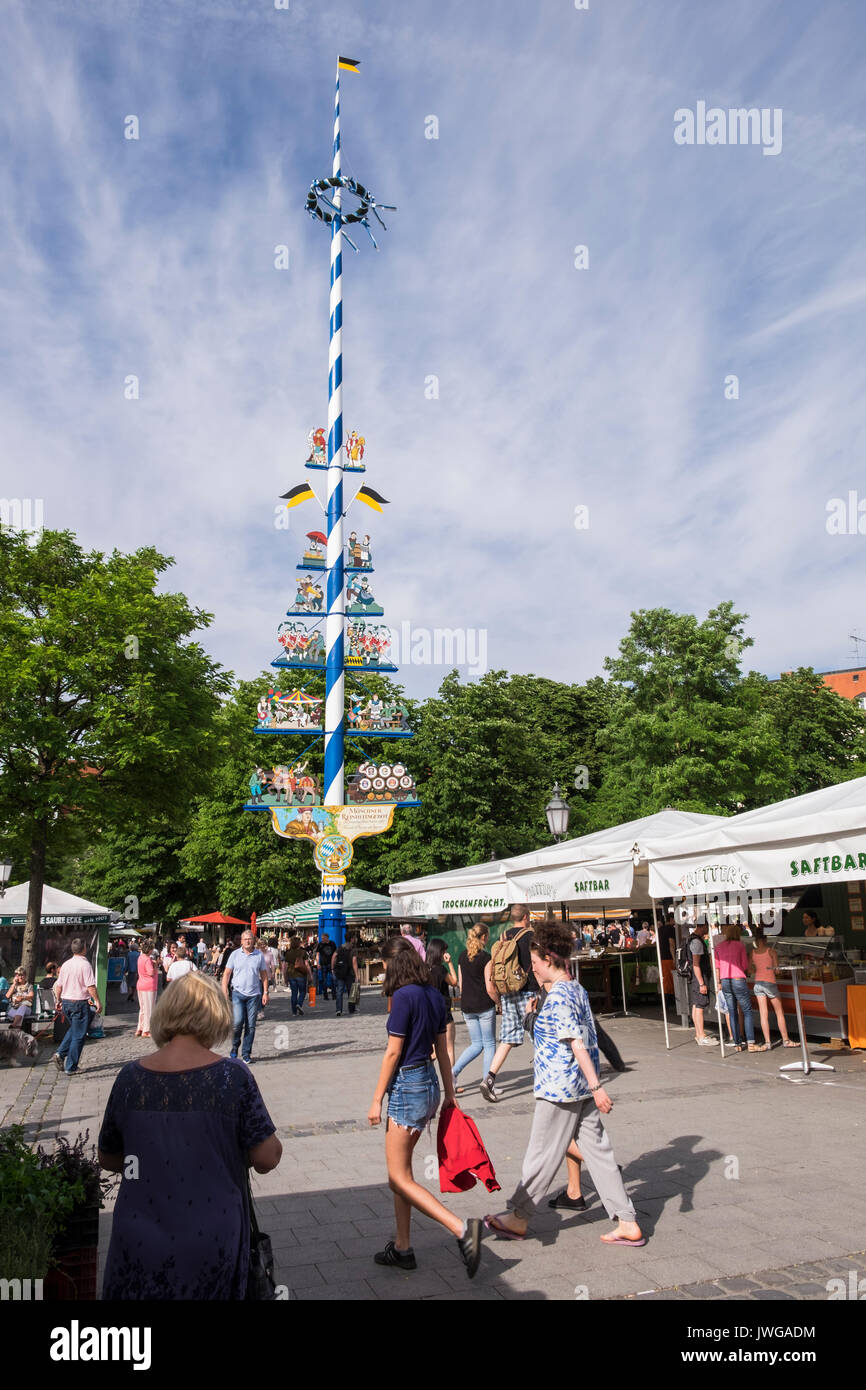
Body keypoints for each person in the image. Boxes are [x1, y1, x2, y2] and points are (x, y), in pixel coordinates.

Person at [98, 972, 282, 1298]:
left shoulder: (130, 1078)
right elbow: (266, 1157)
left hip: (139, 1234)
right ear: (216, 1016)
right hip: (211, 1234)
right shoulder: (231, 1076)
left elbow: (109, 1158)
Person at [483, 920, 644, 1247]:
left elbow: (577, 1044)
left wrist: (598, 1087)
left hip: (559, 1088)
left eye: (534, 963)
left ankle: (518, 1217)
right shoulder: (575, 989)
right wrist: (534, 1018)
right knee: (598, 1153)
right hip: (578, 1087)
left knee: (540, 1155)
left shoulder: (558, 998)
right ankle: (627, 1221)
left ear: (547, 959)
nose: (531, 968)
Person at [366, 937, 482, 1279]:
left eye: (384, 965)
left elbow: (392, 1052)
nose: (383, 971)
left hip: (407, 1086)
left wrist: (376, 1099)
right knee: (401, 1175)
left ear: (394, 963)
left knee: (398, 1177)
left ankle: (461, 1229)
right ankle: (403, 1247)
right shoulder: (432, 992)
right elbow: (443, 1049)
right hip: (429, 1084)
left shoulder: (403, 997)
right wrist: (449, 1092)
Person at [480, 905, 539, 1103]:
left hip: (508, 992)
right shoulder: (530, 936)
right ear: (526, 916)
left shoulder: (503, 936)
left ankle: (489, 1078)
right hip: (528, 991)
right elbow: (537, 963)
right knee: (538, 1036)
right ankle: (544, 1080)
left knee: (507, 1038)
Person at [452, 925, 498, 1094]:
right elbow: (490, 987)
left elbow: (461, 986)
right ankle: (488, 1082)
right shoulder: (486, 958)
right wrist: (498, 1002)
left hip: (467, 1005)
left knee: (476, 1044)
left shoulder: (462, 956)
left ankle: (453, 1072)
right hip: (484, 1005)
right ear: (484, 937)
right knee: (489, 1044)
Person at [52, 940, 102, 1073]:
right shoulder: (85, 965)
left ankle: (60, 1053)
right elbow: (90, 986)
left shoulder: (66, 964)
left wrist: (58, 1000)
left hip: (66, 1002)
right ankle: (71, 1066)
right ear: (84, 948)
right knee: (79, 1036)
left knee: (75, 1029)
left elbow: (59, 985)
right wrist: (97, 1001)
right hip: (79, 1003)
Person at [222, 930, 268, 1064]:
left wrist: (265, 992)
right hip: (237, 993)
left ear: (253, 940)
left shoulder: (259, 955)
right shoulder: (235, 955)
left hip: (254, 995)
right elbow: (226, 974)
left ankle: (246, 1053)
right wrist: (224, 990)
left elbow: (264, 975)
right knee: (237, 1023)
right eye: (245, 939)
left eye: (250, 939)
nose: (248, 941)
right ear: (241, 941)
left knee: (251, 1026)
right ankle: (235, 1047)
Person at [748, 928, 798, 1050]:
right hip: (770, 983)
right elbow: (777, 969)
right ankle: (786, 1040)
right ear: (765, 939)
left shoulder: (752, 953)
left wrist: (758, 969)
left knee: (763, 1014)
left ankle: (767, 1042)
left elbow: (750, 970)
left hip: (758, 984)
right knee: (779, 1012)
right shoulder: (771, 951)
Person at [714, 923, 758, 1052]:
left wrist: (718, 983)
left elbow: (717, 967)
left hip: (725, 980)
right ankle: (750, 1043)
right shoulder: (740, 945)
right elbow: (744, 965)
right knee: (747, 1011)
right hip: (738, 979)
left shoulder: (719, 946)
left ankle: (737, 1043)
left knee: (732, 1012)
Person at [425, 938, 458, 1064]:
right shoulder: (441, 970)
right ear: (440, 952)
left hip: (429, 1012)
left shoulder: (424, 969)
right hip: (444, 1012)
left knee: (432, 1049)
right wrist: (449, 963)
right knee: (449, 1048)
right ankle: (452, 1082)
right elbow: (454, 982)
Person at [333, 936, 359, 1016]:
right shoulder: (353, 949)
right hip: (349, 973)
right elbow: (354, 961)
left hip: (340, 972)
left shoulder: (340, 947)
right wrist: (357, 975)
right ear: (351, 939)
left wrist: (333, 968)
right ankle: (351, 1009)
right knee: (351, 991)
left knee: (339, 991)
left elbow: (333, 957)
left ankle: (338, 1010)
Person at [136, 947, 159, 1037]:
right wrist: (156, 965)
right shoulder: (148, 959)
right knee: (149, 1008)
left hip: (140, 984)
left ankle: (140, 1028)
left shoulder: (140, 957)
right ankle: (147, 1030)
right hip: (149, 985)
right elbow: (151, 973)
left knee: (142, 1008)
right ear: (149, 950)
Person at [286, 936, 312, 1015]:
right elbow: (307, 964)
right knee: (303, 991)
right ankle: (299, 1004)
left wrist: (285, 976)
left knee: (294, 993)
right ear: (299, 943)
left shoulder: (288, 953)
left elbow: (285, 966)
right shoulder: (303, 952)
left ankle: (294, 1012)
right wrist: (310, 974)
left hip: (291, 974)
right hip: (301, 974)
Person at [317, 933, 336, 1001]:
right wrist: (318, 963)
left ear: (327, 937)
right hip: (323, 964)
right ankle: (325, 996)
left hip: (331, 964)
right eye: (321, 938)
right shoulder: (320, 944)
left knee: (333, 980)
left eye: (323, 938)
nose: (322, 939)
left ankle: (334, 995)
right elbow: (318, 954)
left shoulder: (332, 943)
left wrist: (334, 963)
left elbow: (335, 954)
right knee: (324, 980)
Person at [125, 942, 140, 1006]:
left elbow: (127, 963)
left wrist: (125, 970)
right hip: (137, 971)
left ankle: (130, 994)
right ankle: (132, 995)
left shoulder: (129, 954)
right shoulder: (138, 954)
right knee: (134, 984)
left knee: (130, 983)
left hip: (130, 970)